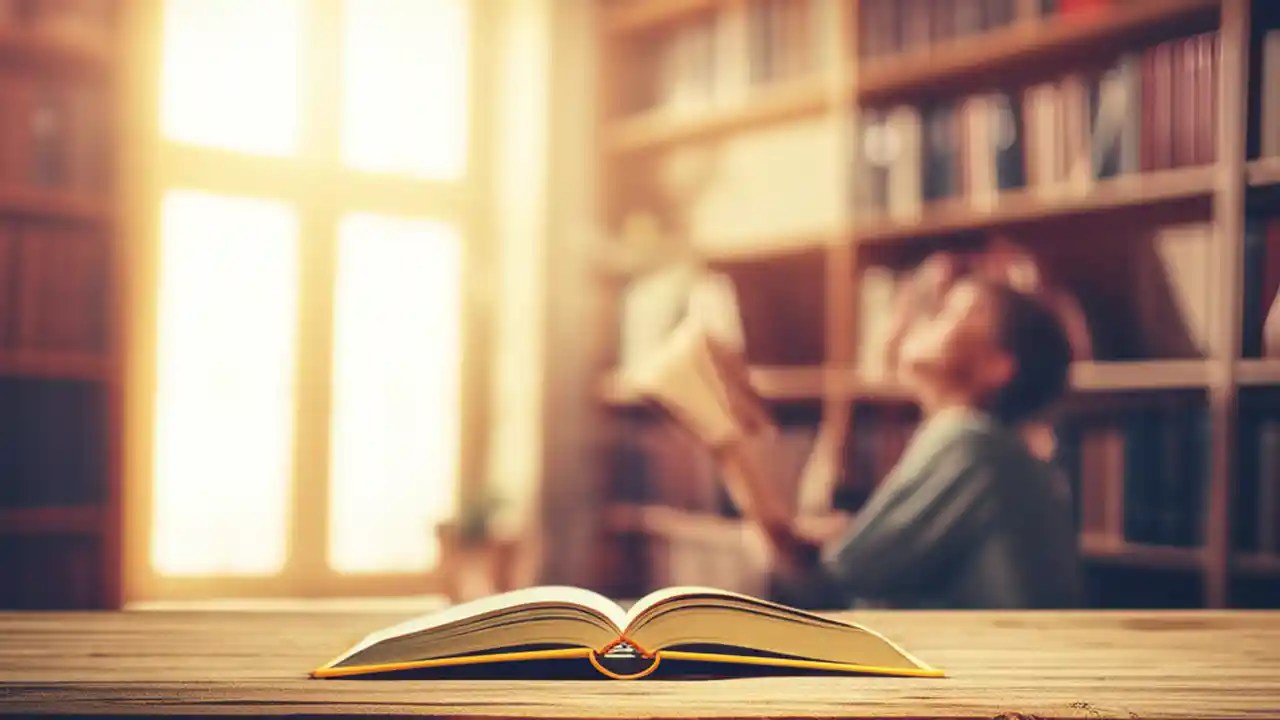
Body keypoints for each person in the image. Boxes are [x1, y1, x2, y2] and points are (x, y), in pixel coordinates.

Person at [633, 277, 1081, 609]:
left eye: (956, 313)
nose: (926, 317)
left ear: (996, 368)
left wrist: (725, 443)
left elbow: (826, 589)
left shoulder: (968, 442)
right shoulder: (994, 451)